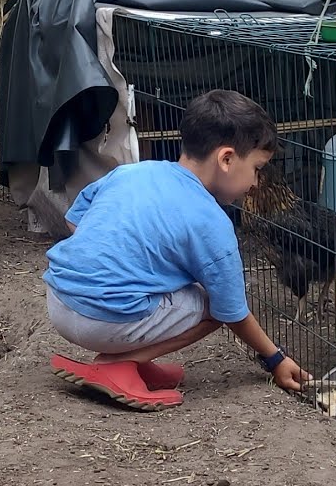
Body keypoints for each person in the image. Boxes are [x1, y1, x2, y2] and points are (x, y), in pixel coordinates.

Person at [44, 89, 312, 410]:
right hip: (101, 322)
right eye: (256, 168)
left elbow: (76, 219)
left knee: (174, 283)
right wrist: (275, 358)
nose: (255, 183)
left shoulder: (133, 171)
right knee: (215, 302)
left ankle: (134, 360)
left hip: (59, 301)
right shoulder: (212, 223)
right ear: (226, 159)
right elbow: (232, 312)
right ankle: (122, 364)